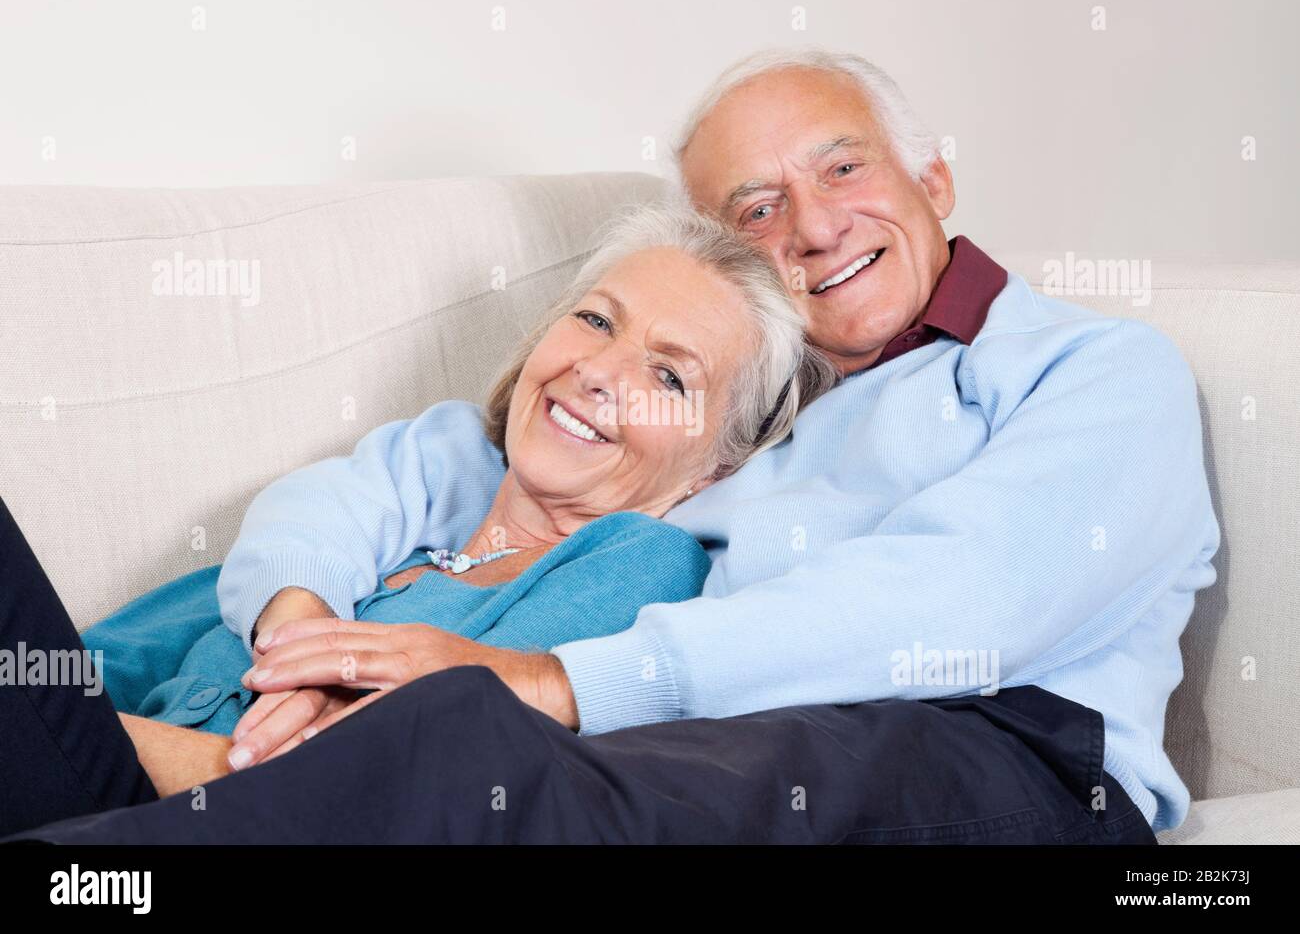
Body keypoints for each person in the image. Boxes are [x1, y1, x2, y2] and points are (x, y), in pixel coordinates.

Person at [4, 48, 1216, 844]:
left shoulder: (1090, 367)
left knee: (463, 737)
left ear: (934, 177)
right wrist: (299, 617)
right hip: (721, 732)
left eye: (840, 166)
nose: (807, 222)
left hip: (990, 736)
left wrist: (563, 681)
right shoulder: (750, 410)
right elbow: (412, 466)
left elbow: (965, 600)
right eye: (752, 207)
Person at [0, 203, 836, 832]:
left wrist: (106, 739)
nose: (597, 370)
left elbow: (356, 791)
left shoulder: (646, 564)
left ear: (712, 467)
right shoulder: (372, 536)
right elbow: (79, 670)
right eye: (594, 319)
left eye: (669, 377)